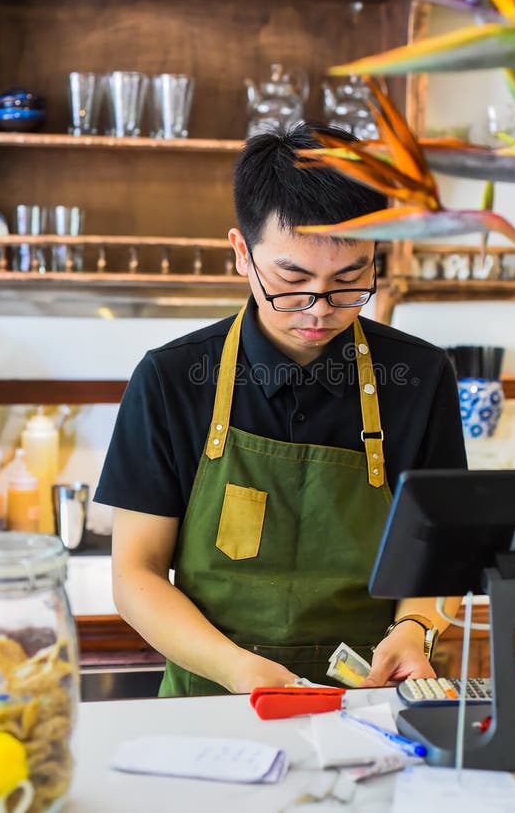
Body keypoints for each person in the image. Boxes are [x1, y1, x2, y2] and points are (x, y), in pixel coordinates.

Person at [95, 123, 467, 697]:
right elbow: (134, 574)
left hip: (367, 699)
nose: (320, 309)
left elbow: (437, 551)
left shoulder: (419, 377)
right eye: (292, 281)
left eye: (349, 281)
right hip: (213, 698)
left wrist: (415, 627)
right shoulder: (170, 380)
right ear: (242, 253)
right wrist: (237, 668)